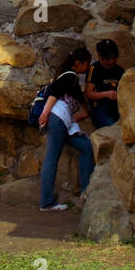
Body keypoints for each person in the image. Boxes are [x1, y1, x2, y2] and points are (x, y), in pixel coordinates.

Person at [38, 71, 95, 211]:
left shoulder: (72, 82)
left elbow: (82, 106)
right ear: (79, 63)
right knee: (52, 159)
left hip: (64, 122)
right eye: (86, 63)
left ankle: (86, 192)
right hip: (57, 119)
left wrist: (83, 114)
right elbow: (54, 93)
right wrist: (45, 114)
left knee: (86, 145)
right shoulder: (70, 75)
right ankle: (46, 202)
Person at [85, 39, 125, 127]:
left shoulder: (120, 70)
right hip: (100, 108)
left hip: (117, 107)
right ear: (100, 56)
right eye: (108, 59)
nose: (111, 61)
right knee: (113, 127)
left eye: (114, 58)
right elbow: (88, 93)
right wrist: (106, 94)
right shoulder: (94, 69)